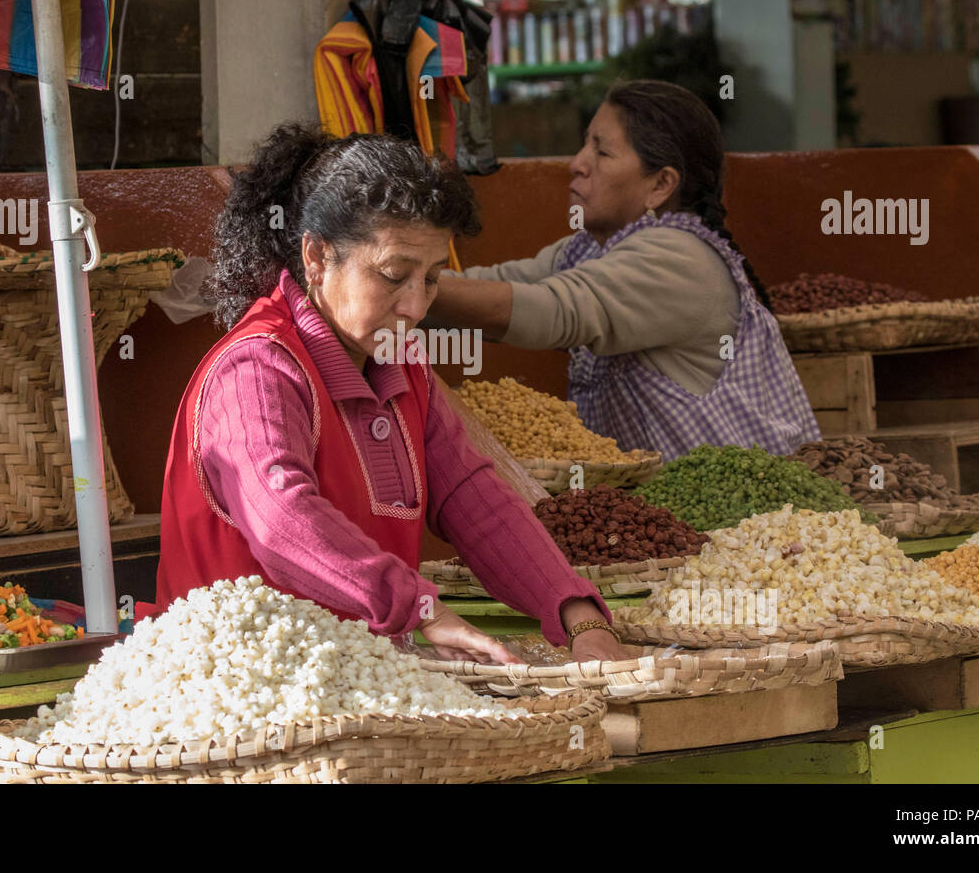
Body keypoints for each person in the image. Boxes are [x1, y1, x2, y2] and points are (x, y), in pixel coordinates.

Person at [154, 124, 636, 663]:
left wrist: (577, 615)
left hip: (354, 685)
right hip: (234, 687)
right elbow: (283, 520)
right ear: (316, 257)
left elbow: (473, 498)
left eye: (430, 279)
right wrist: (421, 608)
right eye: (392, 275)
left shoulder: (404, 367)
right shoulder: (256, 368)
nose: (415, 307)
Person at [429, 79, 820, 461]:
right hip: (653, 511)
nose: (577, 164)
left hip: (738, 513)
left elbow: (553, 310)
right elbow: (498, 285)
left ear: (661, 184)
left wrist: (406, 284)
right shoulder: (589, 249)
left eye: (602, 152)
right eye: (585, 144)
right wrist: (396, 285)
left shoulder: (679, 257)